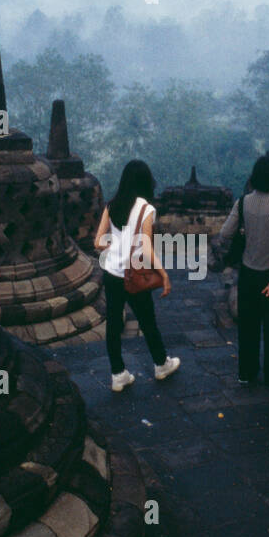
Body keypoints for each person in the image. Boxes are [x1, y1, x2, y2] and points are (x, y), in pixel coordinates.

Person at [94, 159, 181, 392]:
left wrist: (116, 249)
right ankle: (161, 364)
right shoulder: (146, 209)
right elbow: (147, 247)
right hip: (133, 274)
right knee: (147, 321)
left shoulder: (112, 205)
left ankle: (118, 375)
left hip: (112, 273)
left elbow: (97, 242)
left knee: (113, 323)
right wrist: (163, 274)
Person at [217, 154, 269, 386]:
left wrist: (245, 235)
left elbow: (224, 234)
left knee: (248, 327)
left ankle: (246, 374)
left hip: (248, 274)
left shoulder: (243, 202)